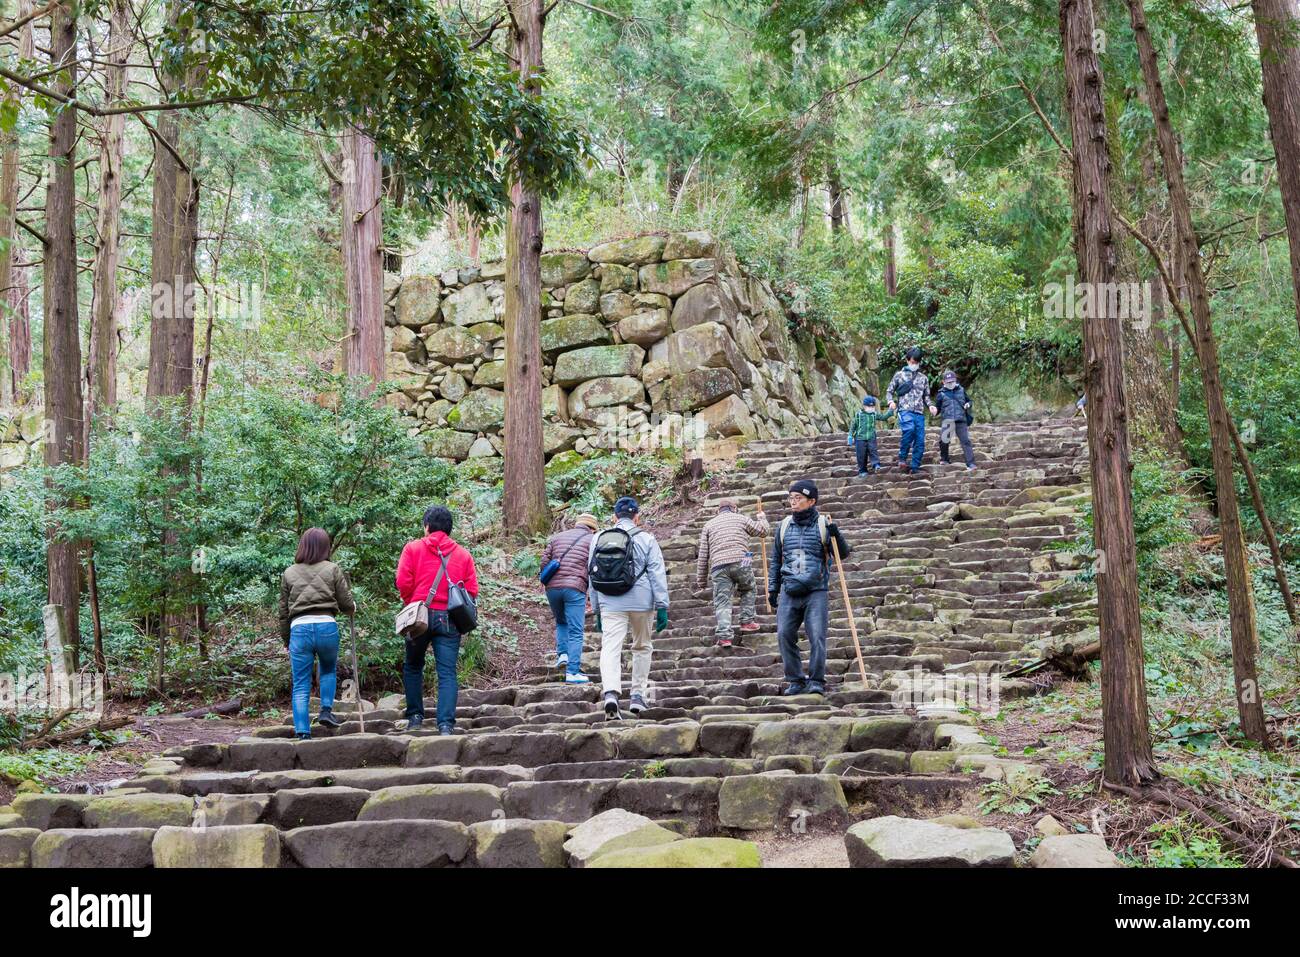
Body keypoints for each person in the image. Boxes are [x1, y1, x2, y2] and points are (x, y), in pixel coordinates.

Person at [395, 505, 480, 734]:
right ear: (449, 529)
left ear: (426, 526)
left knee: (413, 666)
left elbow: (403, 582)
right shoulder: (463, 554)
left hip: (418, 615)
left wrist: (411, 601)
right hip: (450, 619)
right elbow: (471, 590)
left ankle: (414, 719)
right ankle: (445, 725)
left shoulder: (412, 549)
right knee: (447, 672)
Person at [587, 496, 669, 719]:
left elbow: (591, 574)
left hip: (610, 601)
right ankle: (637, 696)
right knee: (642, 646)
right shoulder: (647, 538)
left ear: (614, 516)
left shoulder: (598, 538)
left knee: (611, 647)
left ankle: (611, 693)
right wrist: (662, 605)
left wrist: (596, 610)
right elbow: (656, 573)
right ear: (637, 517)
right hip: (642, 602)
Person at [767, 480, 851, 697]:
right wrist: (773, 589)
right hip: (789, 588)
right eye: (791, 498)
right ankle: (795, 679)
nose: (793, 502)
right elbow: (776, 559)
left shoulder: (824, 524)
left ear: (811, 501)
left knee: (817, 636)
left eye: (798, 498)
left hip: (816, 589)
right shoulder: (784, 525)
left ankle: (816, 680)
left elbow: (842, 555)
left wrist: (836, 535)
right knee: (784, 634)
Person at [279, 527, 356, 740]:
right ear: (325, 547)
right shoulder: (333, 569)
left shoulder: (289, 573)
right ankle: (325, 710)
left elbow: (283, 613)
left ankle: (303, 732)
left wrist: (287, 640)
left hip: (300, 629)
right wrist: (352, 608)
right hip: (326, 626)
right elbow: (346, 603)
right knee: (328, 670)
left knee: (301, 682)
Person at [695, 499, 769, 648]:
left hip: (718, 566)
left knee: (722, 600)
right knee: (748, 588)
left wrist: (701, 581)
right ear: (734, 508)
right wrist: (762, 518)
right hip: (742, 561)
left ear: (718, 511)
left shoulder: (709, 525)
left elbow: (703, 555)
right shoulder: (741, 518)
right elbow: (763, 531)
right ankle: (747, 621)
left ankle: (724, 636)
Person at [541, 512, 598, 683]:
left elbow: (544, 562)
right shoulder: (592, 540)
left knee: (561, 621)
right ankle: (573, 671)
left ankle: (563, 654)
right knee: (576, 630)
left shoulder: (557, 537)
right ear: (592, 529)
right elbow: (595, 566)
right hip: (575, 587)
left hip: (552, 588)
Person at [886, 346, 939, 475]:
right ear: (907, 360)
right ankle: (902, 458)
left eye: (916, 362)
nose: (913, 364)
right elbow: (889, 391)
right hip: (905, 410)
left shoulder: (923, 378)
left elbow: (926, 396)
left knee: (920, 441)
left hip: (919, 412)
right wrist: (891, 401)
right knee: (909, 430)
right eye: (911, 362)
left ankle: (915, 466)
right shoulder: (899, 375)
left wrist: (931, 406)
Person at [934, 370, 976, 470]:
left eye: (952, 381)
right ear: (943, 382)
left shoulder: (961, 390)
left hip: (961, 419)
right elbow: (938, 408)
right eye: (948, 382)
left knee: (965, 441)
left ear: (955, 380)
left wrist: (968, 404)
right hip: (947, 420)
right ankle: (944, 459)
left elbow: (969, 400)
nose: (950, 383)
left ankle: (970, 463)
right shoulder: (941, 394)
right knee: (944, 441)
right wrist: (934, 410)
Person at [846, 395, 894, 476]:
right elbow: (853, 426)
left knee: (873, 451)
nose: (871, 408)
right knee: (861, 455)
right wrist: (850, 436)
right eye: (869, 406)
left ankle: (876, 465)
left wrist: (890, 411)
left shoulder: (874, 414)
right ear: (864, 406)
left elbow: (883, 417)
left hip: (871, 437)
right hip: (860, 438)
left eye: (872, 406)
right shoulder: (858, 415)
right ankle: (862, 470)